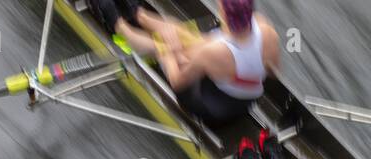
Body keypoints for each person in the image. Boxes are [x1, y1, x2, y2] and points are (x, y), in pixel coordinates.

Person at [89, 0, 280, 133]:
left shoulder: (215, 52)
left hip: (212, 108)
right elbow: (271, 71)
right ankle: (139, 15)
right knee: (178, 31)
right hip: (248, 99)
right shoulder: (266, 29)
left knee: (166, 49)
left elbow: (177, 82)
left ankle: (118, 24)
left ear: (223, 12)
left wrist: (169, 52)